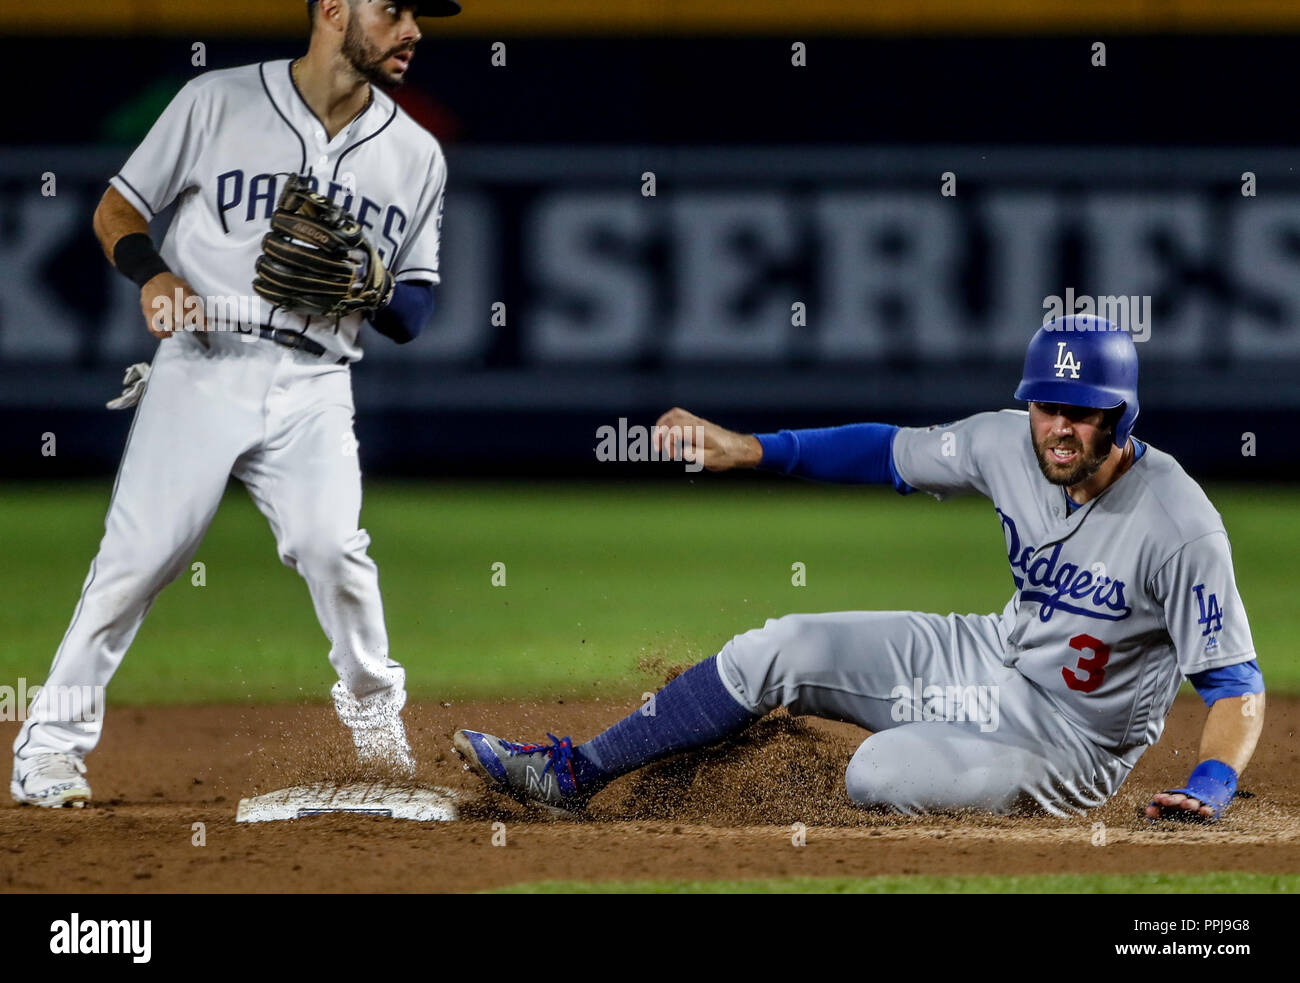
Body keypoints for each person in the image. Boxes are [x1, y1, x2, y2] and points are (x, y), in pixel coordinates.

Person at [454, 317, 1265, 822]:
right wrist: (753, 448)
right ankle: (573, 774)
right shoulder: (1005, 440)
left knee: (875, 774)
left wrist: (1212, 782)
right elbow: (887, 450)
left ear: (1120, 415)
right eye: (1045, 405)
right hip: (987, 657)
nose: (1056, 428)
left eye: (1079, 411)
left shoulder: (1180, 525)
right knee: (785, 644)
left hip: (1071, 742)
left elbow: (1236, 685)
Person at [12, 0, 461, 808]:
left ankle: (377, 733)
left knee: (334, 551)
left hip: (318, 382)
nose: (413, 31)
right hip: (204, 361)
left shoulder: (416, 153)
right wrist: (153, 275)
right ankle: (49, 746)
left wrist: (375, 286)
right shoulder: (215, 100)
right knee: (137, 561)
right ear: (333, 9)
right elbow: (116, 210)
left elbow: (416, 312)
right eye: (393, 10)